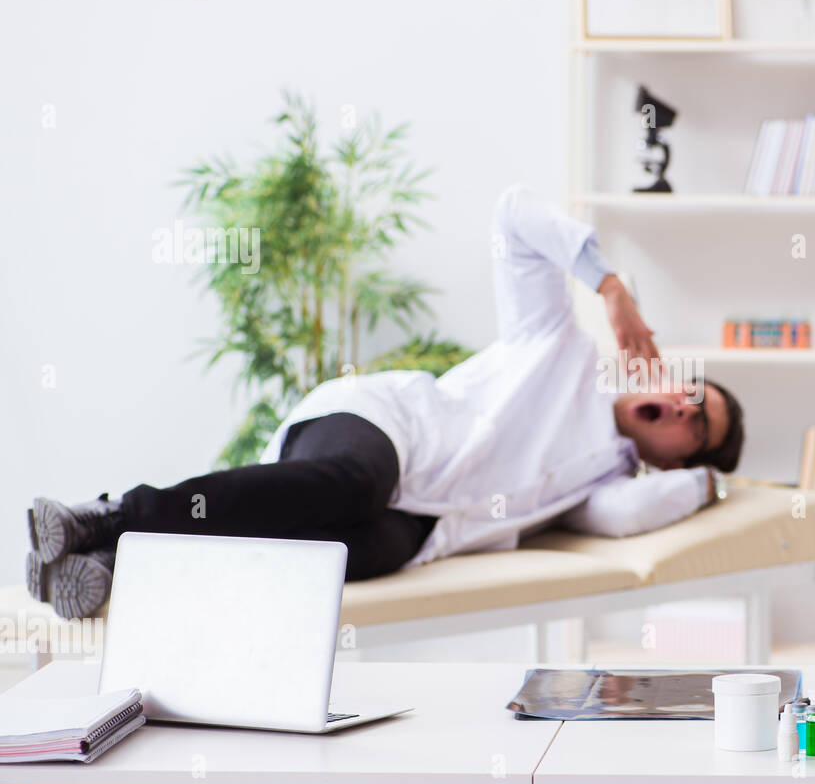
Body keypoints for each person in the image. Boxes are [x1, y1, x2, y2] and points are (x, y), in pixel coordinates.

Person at [26, 184, 745, 618]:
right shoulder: (559, 343)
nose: (682, 409)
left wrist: (716, 482)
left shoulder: (604, 488)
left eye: (697, 426)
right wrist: (610, 286)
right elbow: (512, 214)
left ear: (682, 458)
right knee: (358, 486)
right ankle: (112, 514)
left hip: (420, 522)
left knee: (364, 550)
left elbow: (631, 516)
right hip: (386, 428)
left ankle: (120, 565)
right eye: (689, 392)